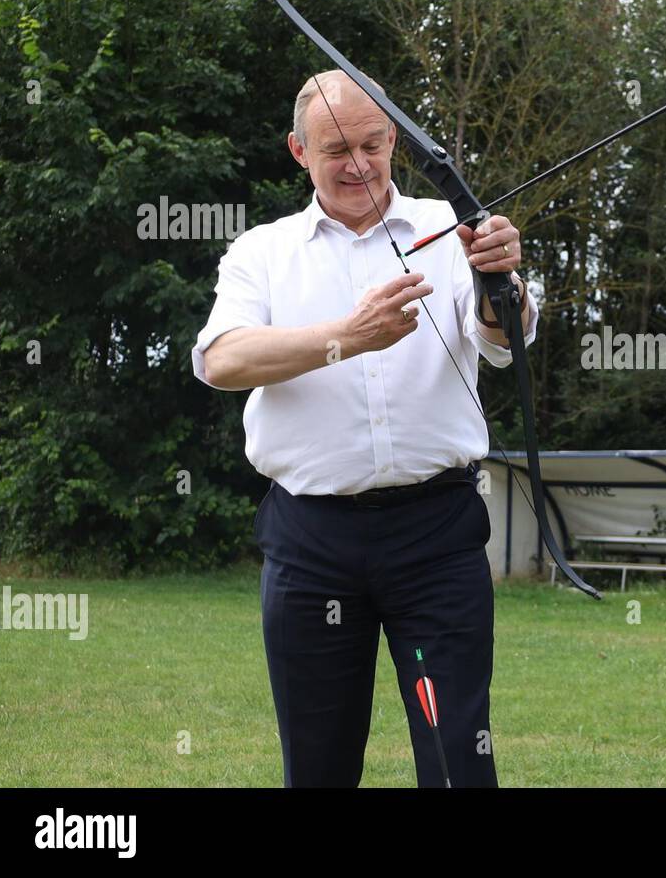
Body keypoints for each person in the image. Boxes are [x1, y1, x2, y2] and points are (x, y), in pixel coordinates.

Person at [192, 69, 534, 787]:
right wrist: (347, 336)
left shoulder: (452, 233)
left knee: (458, 762)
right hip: (313, 540)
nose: (358, 164)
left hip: (437, 536)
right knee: (318, 766)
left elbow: (505, 343)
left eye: (374, 144)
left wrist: (502, 280)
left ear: (395, 143)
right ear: (298, 151)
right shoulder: (263, 252)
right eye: (335, 148)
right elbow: (222, 360)